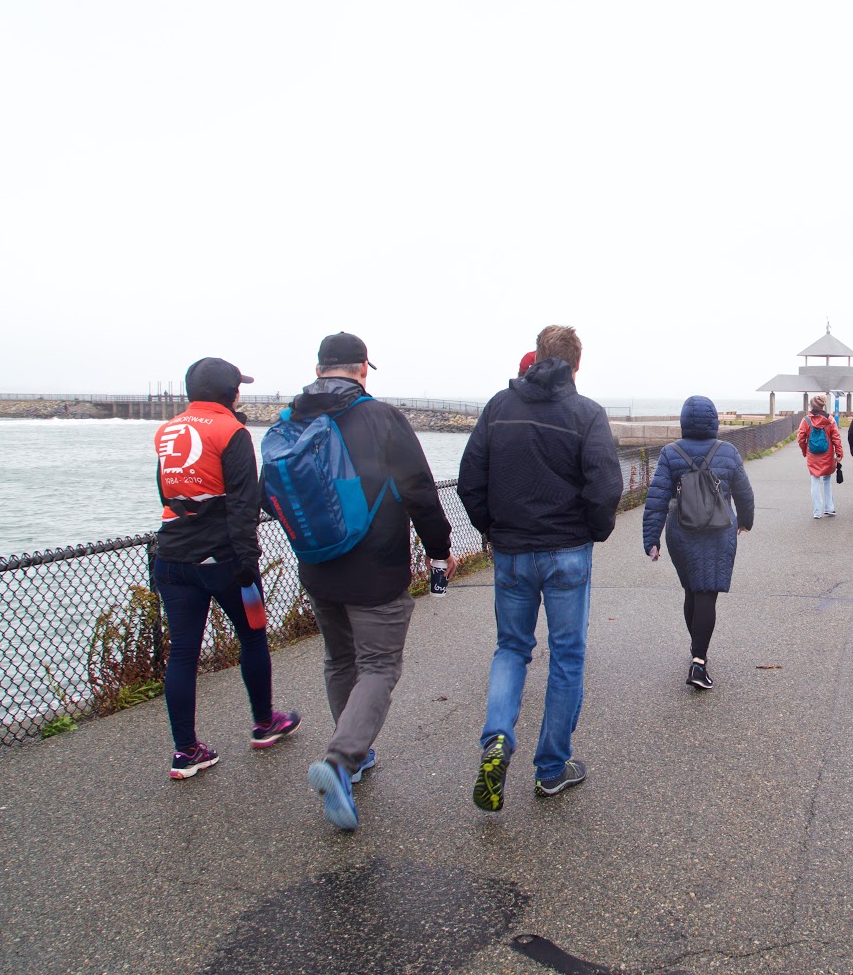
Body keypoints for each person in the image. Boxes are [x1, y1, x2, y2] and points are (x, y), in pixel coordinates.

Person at [295, 332, 457, 831]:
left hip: (317, 566)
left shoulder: (293, 419)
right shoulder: (382, 418)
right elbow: (420, 492)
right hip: (376, 567)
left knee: (340, 659)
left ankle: (356, 758)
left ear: (320, 367)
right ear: (363, 368)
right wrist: (438, 552)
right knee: (380, 665)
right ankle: (342, 760)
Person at [457, 325, 623, 811]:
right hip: (567, 549)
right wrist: (593, 529)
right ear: (576, 364)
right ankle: (551, 769)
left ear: (535, 355)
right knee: (567, 656)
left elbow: (471, 478)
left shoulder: (498, 407)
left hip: (511, 551)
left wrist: (492, 526)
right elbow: (605, 484)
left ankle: (497, 737)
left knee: (511, 648)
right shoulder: (586, 413)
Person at [153, 357, 299, 780]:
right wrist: (247, 559)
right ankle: (264, 722)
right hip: (226, 560)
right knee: (253, 637)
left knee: (182, 652)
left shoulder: (167, 430)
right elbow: (242, 501)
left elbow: (165, 489)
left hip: (172, 557)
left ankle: (186, 751)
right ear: (232, 392)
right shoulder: (231, 431)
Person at [642, 396, 756, 690]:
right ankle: (699, 661)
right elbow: (744, 492)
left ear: (683, 421)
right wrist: (745, 520)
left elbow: (656, 499)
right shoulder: (728, 451)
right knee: (707, 592)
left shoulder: (671, 453)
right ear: (714, 421)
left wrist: (651, 539)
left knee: (692, 589)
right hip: (719, 531)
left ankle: (696, 651)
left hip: (681, 531)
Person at [796, 395, 844, 518]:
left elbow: (801, 438)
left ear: (811, 406)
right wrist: (839, 452)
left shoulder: (806, 420)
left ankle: (817, 511)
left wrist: (804, 450)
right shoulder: (830, 419)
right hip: (827, 453)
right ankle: (830, 508)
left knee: (815, 480)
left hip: (812, 454)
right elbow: (836, 437)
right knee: (827, 480)